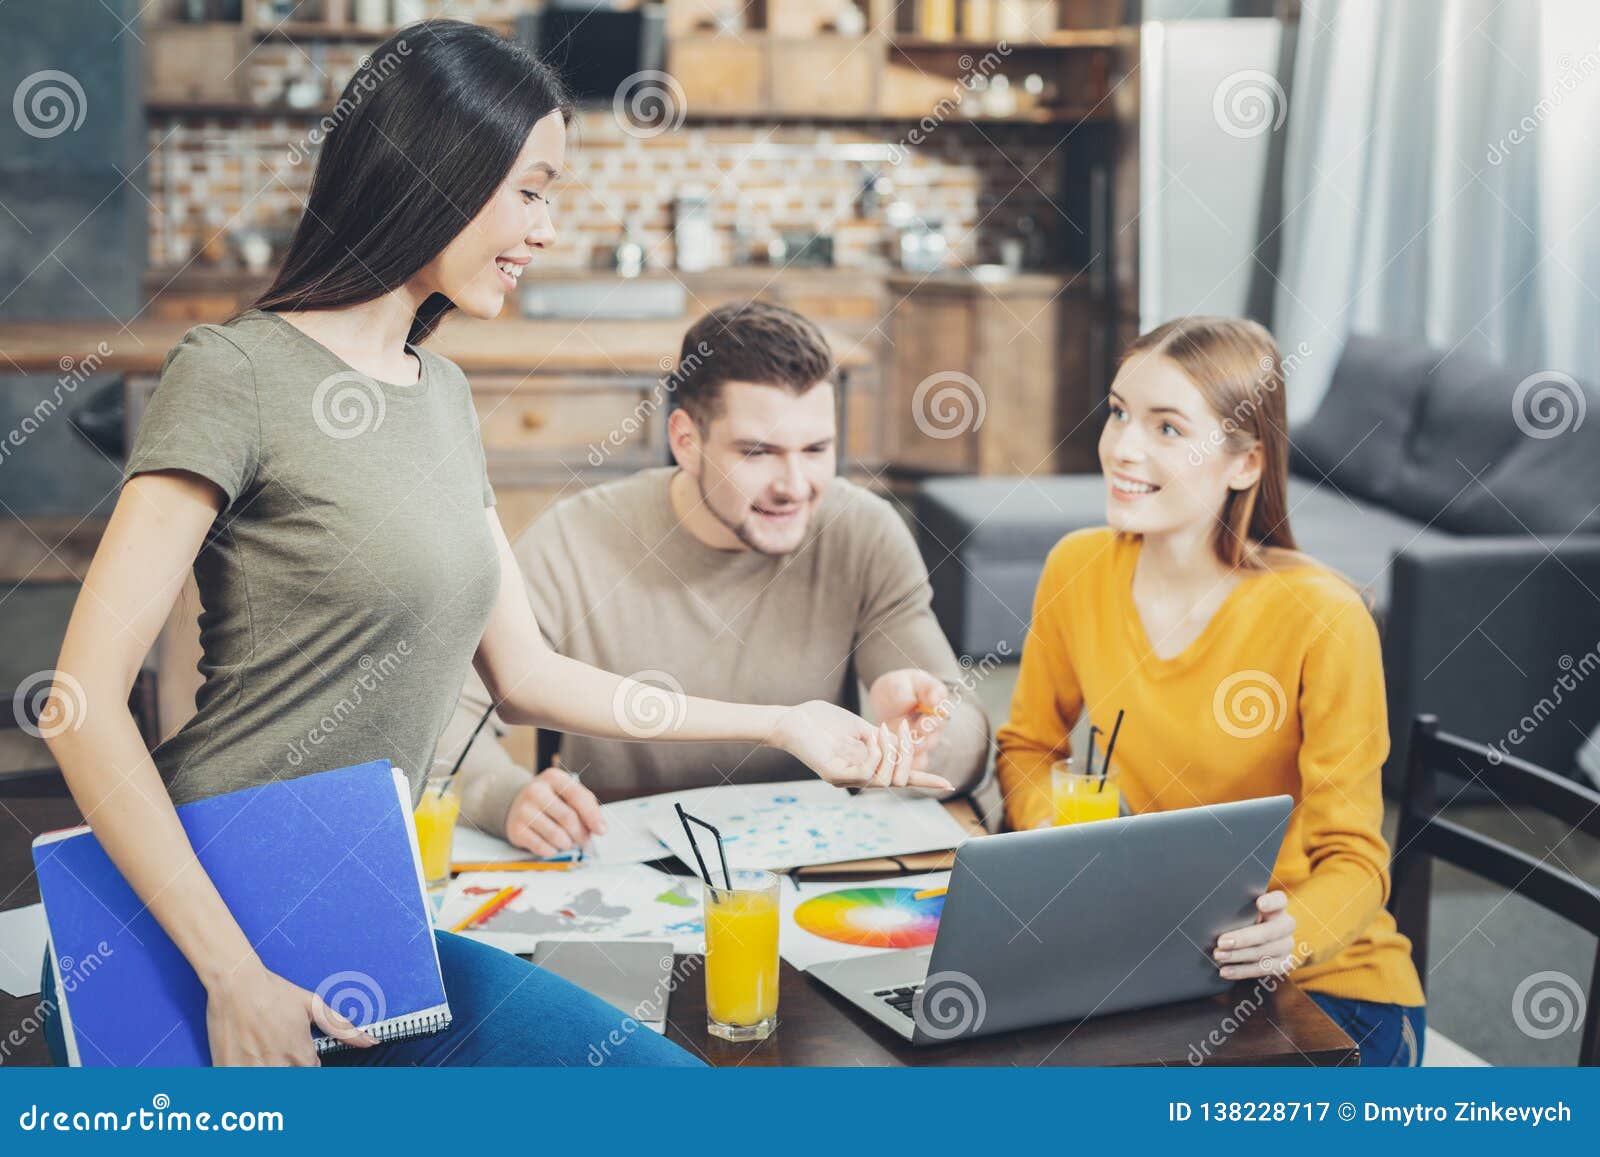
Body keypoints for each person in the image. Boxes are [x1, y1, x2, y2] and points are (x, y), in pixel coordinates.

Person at [38, 20, 945, 1069]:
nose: (546, 229)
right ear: (439, 174)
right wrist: (231, 974)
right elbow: (80, 702)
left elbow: (527, 676)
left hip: (362, 915)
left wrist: (788, 721)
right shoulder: (232, 373)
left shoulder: (443, 394)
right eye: (531, 191)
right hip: (195, 932)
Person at [994, 316, 1426, 1066]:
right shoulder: (1077, 568)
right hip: (1150, 965)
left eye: (1167, 427)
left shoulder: (1324, 617)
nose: (1122, 447)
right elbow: (1029, 746)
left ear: (1245, 463)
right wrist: (1054, 832)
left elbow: (1356, 859)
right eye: (1119, 412)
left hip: (1322, 989)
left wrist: (1291, 932)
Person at [437, 300, 992, 856]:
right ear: (686, 440)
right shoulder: (572, 540)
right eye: (758, 452)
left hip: (803, 864)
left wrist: (927, 735)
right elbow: (443, 722)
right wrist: (504, 795)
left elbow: (971, 744)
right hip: (620, 860)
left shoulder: (864, 532)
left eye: (816, 450)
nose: (795, 485)